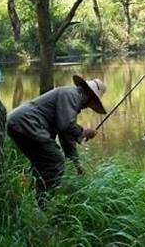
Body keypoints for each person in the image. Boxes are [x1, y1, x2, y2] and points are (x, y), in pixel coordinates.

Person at [7, 75, 107, 207]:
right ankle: (43, 203)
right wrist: (84, 132)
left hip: (18, 122)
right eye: (92, 102)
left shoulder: (70, 97)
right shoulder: (71, 95)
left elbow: (64, 135)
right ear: (88, 94)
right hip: (28, 123)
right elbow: (65, 126)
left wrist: (76, 163)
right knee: (56, 160)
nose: (88, 106)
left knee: (42, 163)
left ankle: (31, 202)